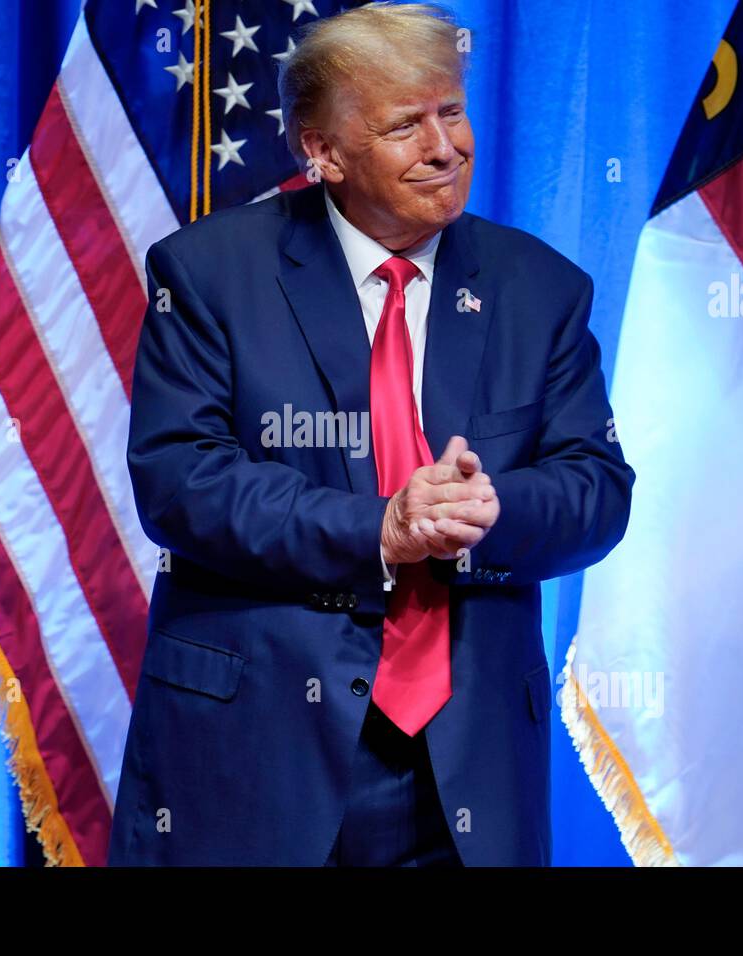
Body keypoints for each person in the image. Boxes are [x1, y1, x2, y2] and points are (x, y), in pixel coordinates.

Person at [107, 2, 633, 866]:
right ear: (321, 152)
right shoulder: (206, 275)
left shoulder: (541, 289)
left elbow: (597, 488)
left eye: (451, 111)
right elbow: (181, 481)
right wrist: (382, 529)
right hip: (257, 755)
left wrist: (489, 508)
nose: (444, 146)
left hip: (468, 770)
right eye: (404, 125)